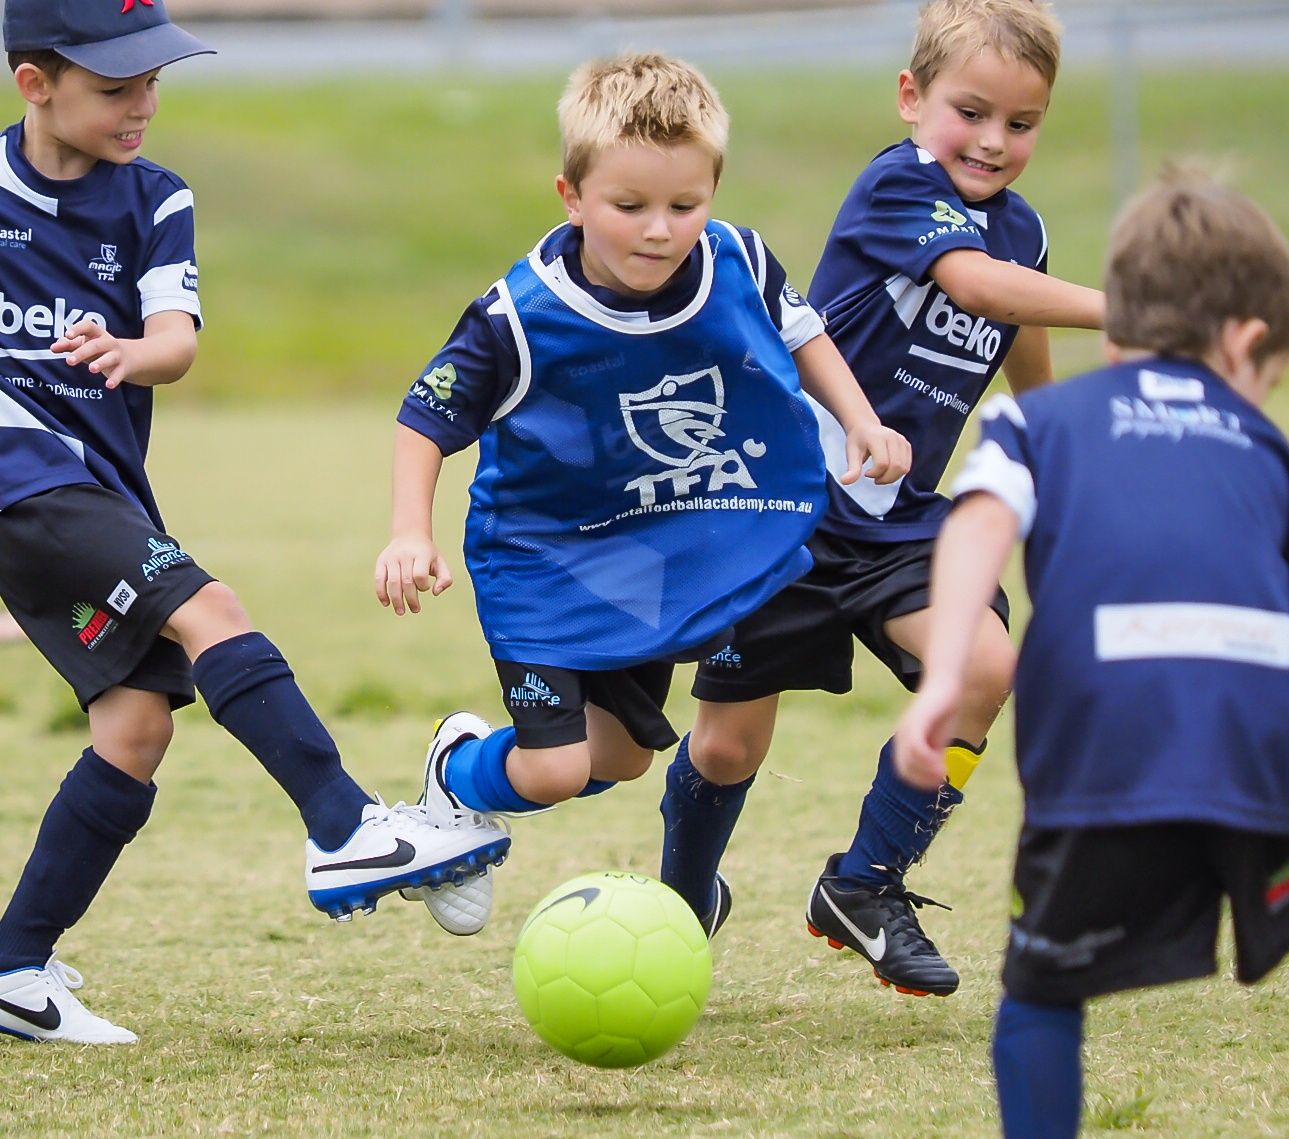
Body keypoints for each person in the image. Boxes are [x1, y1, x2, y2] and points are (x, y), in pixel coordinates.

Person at [0, 0, 507, 1044]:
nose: (143, 101)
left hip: (102, 498)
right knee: (216, 612)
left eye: (154, 76)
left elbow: (176, 341)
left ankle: (8, 968)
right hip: (24, 488)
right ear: (34, 82)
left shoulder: (157, 198)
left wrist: (127, 352)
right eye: (116, 85)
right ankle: (345, 823)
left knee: (135, 726)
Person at [896, 169, 1289, 1137]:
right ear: (1246, 341)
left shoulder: (1036, 419)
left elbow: (977, 521)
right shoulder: (1266, 446)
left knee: (1042, 987)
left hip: (1111, 736)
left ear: (1119, 326)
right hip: (1276, 729)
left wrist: (940, 677)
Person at [374, 52, 910, 937]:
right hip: (544, 561)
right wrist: (407, 531)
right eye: (630, 207)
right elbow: (424, 416)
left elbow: (802, 329)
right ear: (571, 195)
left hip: (657, 553)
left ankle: (468, 784)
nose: (660, 230)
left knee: (619, 757)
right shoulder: (518, 315)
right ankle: (455, 779)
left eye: (684, 205)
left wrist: (858, 419)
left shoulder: (736, 258)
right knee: (551, 771)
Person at [660, 0, 1104, 996]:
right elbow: (978, 288)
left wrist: (1045, 432)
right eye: (970, 112)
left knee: (985, 664)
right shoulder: (895, 187)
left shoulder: (1021, 228)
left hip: (900, 521)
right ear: (911, 97)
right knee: (728, 744)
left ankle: (864, 882)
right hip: (787, 505)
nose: (991, 140)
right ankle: (683, 900)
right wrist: (1136, 306)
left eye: (1021, 123)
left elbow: (1015, 314)